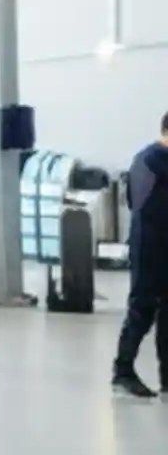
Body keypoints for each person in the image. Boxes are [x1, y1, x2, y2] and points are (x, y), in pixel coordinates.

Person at [112, 112, 168, 400]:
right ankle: (122, 372)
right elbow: (144, 206)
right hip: (150, 245)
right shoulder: (149, 160)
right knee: (142, 309)